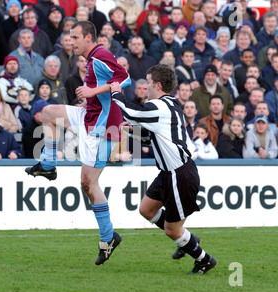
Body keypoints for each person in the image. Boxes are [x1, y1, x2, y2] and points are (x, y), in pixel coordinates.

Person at [25, 21, 131, 266]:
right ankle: (48, 165)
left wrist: (93, 93)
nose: (70, 41)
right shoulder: (93, 59)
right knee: (49, 113)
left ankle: (108, 238)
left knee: (87, 183)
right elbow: (105, 88)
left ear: (88, 38)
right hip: (89, 116)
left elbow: (124, 78)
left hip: (102, 127)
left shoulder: (101, 54)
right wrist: (90, 101)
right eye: (69, 37)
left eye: (74, 37)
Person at [110, 64, 217, 274]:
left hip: (179, 174)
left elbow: (131, 112)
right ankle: (187, 238)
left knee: (171, 229)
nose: (145, 87)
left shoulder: (160, 107)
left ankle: (204, 259)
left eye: (148, 83)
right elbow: (153, 138)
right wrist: (133, 132)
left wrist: (116, 92)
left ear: (157, 85)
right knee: (146, 209)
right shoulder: (169, 105)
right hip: (169, 173)